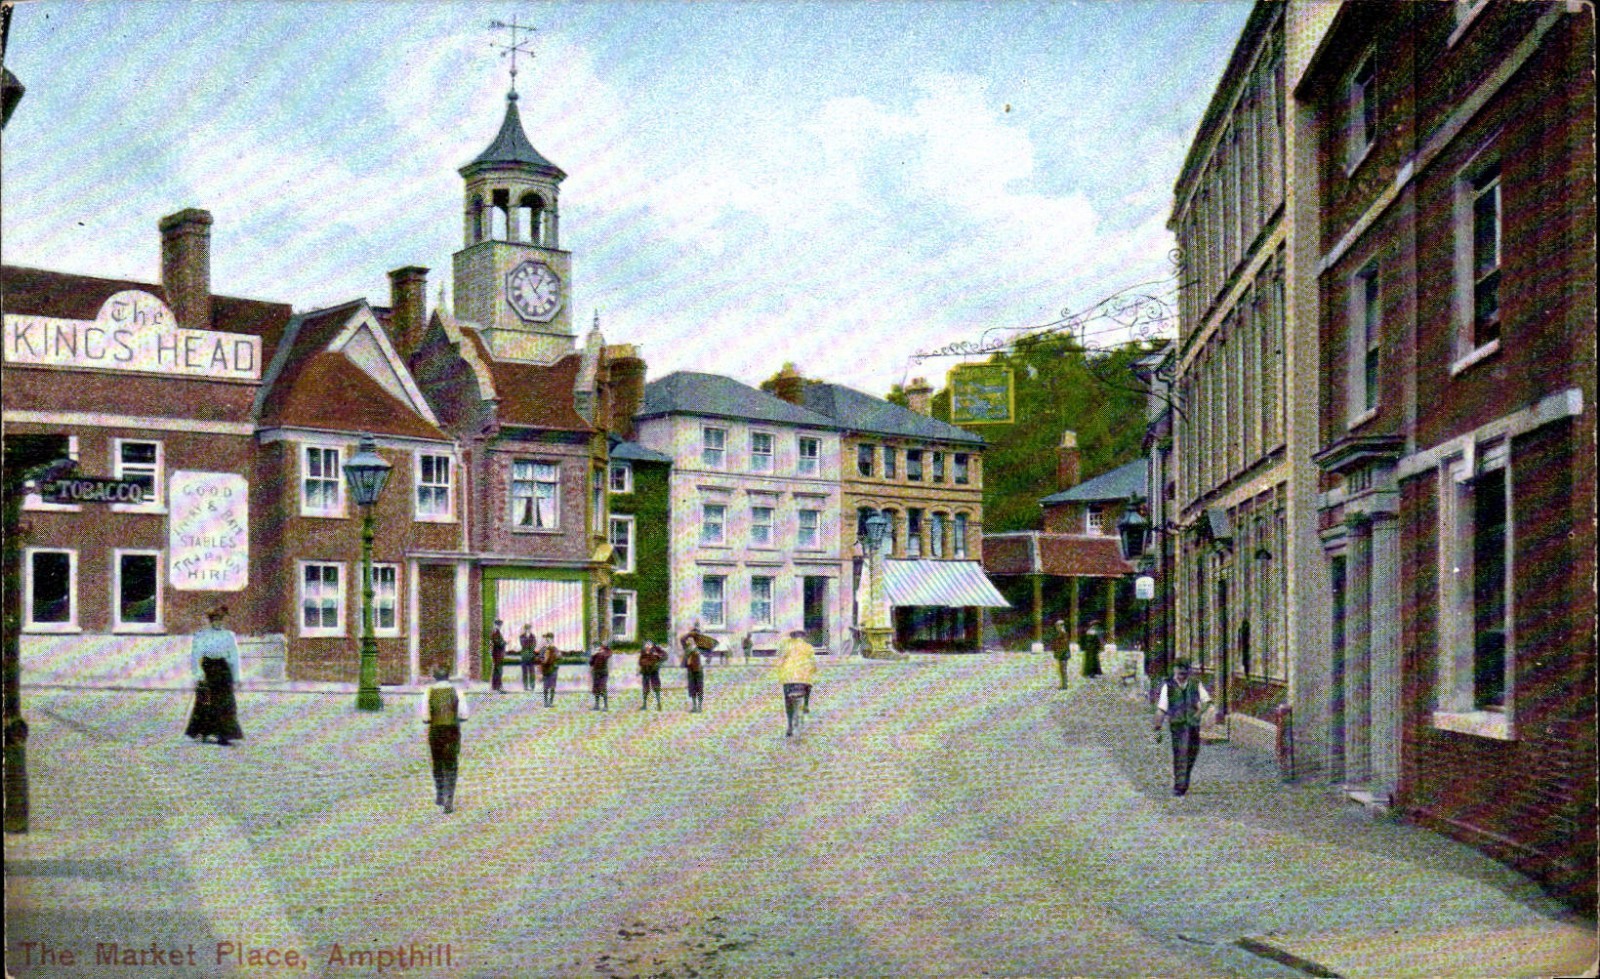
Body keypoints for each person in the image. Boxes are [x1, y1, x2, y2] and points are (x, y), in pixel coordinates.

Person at [1152, 660, 1214, 797]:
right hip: (1178, 725)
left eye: (1184, 674)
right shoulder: (1168, 687)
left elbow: (1207, 701)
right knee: (1180, 753)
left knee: (1192, 753)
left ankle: (1184, 779)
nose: (1181, 677)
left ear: (1188, 672)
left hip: (1193, 725)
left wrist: (1198, 713)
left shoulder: (1195, 684)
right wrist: (1157, 728)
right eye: (1179, 674)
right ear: (1175, 671)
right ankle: (1180, 786)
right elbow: (1161, 709)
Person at [185, 606, 244, 745]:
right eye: (215, 620)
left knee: (225, 702)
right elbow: (196, 655)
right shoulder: (201, 635)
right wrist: (199, 674)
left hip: (223, 670)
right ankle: (203, 732)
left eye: (220, 620)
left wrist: (236, 677)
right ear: (210, 621)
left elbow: (233, 657)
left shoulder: (229, 635)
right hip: (208, 669)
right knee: (205, 701)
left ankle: (224, 734)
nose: (218, 623)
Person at [419, 664, 469, 813]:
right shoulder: (457, 691)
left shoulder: (428, 692)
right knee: (451, 762)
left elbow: (425, 717)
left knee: (437, 761)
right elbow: (464, 714)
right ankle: (449, 799)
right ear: (449, 676)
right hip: (452, 730)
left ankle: (440, 793)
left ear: (435, 677)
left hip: (436, 730)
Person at [773, 629, 817, 737]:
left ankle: (789, 725)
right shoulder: (808, 647)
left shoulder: (787, 647)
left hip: (788, 677)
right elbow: (813, 663)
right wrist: (813, 670)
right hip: (803, 676)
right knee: (808, 684)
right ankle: (806, 704)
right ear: (804, 637)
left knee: (788, 702)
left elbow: (780, 661)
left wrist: (779, 672)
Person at [638, 640, 665, 711]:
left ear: (652, 645)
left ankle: (659, 704)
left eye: (649, 645)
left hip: (654, 671)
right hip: (645, 672)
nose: (647, 646)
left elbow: (664, 656)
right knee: (645, 689)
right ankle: (644, 705)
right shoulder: (643, 652)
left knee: (656, 688)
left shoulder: (656, 650)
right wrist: (642, 664)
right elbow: (640, 661)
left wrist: (658, 659)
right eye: (646, 645)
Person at [538, 635, 562, 708]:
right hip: (546, 670)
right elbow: (540, 659)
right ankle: (545, 702)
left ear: (552, 641)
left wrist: (556, 663)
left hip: (553, 670)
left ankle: (550, 702)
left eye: (550, 640)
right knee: (545, 687)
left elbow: (560, 658)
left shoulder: (555, 649)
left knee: (552, 687)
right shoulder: (543, 649)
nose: (548, 642)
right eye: (547, 640)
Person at [683, 640, 705, 713]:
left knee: (699, 688)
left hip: (699, 671)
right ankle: (694, 707)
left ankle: (699, 707)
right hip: (691, 671)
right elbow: (684, 662)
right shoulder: (687, 651)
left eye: (690, 642)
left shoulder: (699, 649)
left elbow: (704, 659)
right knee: (692, 688)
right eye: (688, 642)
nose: (688, 643)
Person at [589, 643, 613, 711]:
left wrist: (600, 653)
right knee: (596, 689)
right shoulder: (595, 654)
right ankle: (597, 705)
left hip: (603, 673)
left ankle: (606, 706)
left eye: (598, 647)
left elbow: (608, 655)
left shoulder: (606, 652)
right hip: (596, 673)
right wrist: (593, 655)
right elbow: (591, 663)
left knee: (603, 688)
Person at [1051, 620, 1072, 690]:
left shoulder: (1063, 633)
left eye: (1057, 626)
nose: (1056, 628)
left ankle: (1065, 685)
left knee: (1063, 670)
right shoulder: (1060, 633)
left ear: (1061, 626)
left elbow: (1064, 645)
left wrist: (1060, 653)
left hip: (1064, 654)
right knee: (1062, 669)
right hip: (1061, 654)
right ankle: (1063, 684)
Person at [488, 620, 508, 693]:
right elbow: (498, 643)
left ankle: (495, 686)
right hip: (497, 654)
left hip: (497, 654)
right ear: (496, 625)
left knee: (497, 670)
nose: (499, 626)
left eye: (500, 625)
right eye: (498, 625)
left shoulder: (496, 632)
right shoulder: (495, 633)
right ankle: (498, 686)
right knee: (498, 670)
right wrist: (504, 643)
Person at [518, 624, 537, 691]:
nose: (528, 630)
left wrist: (529, 648)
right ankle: (525, 686)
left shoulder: (533, 636)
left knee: (532, 672)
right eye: (527, 629)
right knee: (525, 672)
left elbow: (534, 645)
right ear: (525, 629)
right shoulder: (521, 636)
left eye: (529, 628)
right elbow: (523, 644)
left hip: (531, 656)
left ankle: (532, 686)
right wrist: (529, 646)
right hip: (524, 656)